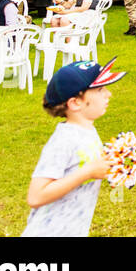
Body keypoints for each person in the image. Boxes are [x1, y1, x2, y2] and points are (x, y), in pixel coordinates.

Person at [22, 58, 126, 237]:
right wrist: (87, 172)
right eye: (100, 90)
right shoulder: (64, 140)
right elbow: (36, 196)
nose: (108, 94)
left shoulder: (87, 130)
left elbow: (89, 167)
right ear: (75, 103)